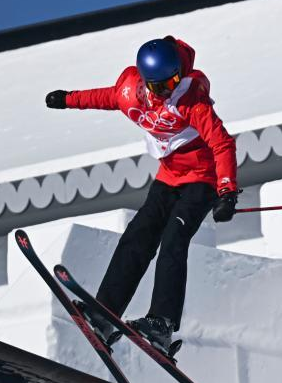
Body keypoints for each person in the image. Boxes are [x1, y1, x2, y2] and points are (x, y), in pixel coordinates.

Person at [45, 36, 238, 357]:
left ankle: (161, 323)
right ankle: (105, 313)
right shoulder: (129, 93)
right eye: (160, 87)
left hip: (202, 179)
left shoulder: (193, 101)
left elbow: (222, 144)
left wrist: (227, 191)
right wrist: (68, 99)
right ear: (146, 82)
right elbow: (103, 97)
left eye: (174, 81)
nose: (168, 91)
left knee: (174, 240)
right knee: (138, 235)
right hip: (169, 176)